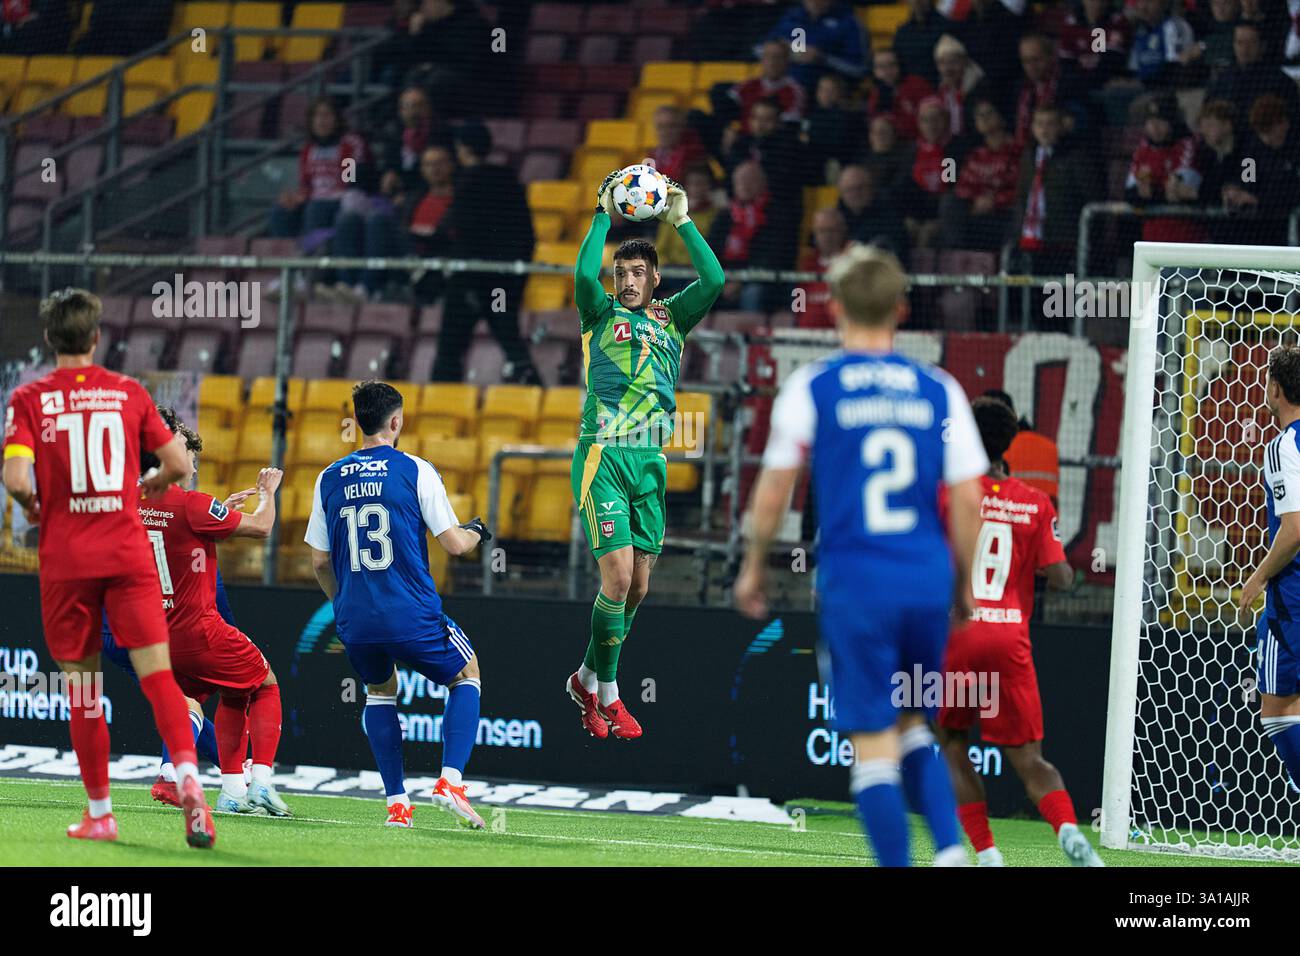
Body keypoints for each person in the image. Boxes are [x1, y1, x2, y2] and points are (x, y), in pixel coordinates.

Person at [734, 245, 987, 867]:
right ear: (902, 308)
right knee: (915, 724)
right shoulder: (941, 389)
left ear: (836, 307)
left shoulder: (813, 386)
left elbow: (774, 489)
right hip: (925, 581)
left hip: (857, 583)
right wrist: (961, 586)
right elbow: (968, 500)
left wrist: (754, 563)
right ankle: (952, 851)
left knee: (872, 743)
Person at [1, 289, 216, 848]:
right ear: (97, 338)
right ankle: (189, 780)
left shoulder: (29, 398)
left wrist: (34, 505)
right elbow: (175, 461)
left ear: (50, 339)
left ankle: (101, 813)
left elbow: (17, 478)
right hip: (126, 553)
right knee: (159, 678)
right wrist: (150, 485)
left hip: (69, 559)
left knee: (84, 689)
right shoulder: (127, 392)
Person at [566, 167, 724, 740]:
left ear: (655, 279)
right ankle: (608, 692)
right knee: (616, 577)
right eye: (621, 273)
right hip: (604, 455)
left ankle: (585, 676)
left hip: (651, 461)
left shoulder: (671, 319)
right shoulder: (598, 315)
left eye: (637, 272)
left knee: (638, 588)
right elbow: (583, 271)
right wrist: (602, 212)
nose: (627, 280)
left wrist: (681, 221)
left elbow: (714, 278)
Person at [306, 381, 492, 828]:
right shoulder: (415, 470)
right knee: (467, 675)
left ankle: (397, 805)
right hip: (410, 612)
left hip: (354, 619)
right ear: (396, 421)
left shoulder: (328, 476)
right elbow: (453, 545)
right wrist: (478, 531)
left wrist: (344, 605)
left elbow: (319, 560)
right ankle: (449, 781)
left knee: (380, 692)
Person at [934, 396, 1100, 867]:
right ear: (1012, 443)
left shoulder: (949, 492)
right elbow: (1063, 577)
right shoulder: (1034, 503)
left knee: (950, 742)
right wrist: (1044, 562)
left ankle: (987, 854)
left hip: (959, 632)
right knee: (1031, 760)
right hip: (1010, 639)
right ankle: (1069, 830)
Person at [128, 409, 291, 818]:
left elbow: (172, 531)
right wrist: (269, 492)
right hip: (199, 631)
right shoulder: (192, 504)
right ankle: (263, 783)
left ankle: (231, 790)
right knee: (266, 683)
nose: (190, 459)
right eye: (183, 450)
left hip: (157, 637)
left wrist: (219, 510)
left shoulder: (128, 501)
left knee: (226, 694)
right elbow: (261, 528)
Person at [1237, 346, 1300, 807]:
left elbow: (1295, 527)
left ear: (1274, 389)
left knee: (1276, 712)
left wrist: (1257, 577)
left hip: (1291, 601)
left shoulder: (1284, 446)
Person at [430, 121, 539, 384]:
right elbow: (527, 234)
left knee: (450, 347)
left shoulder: (468, 181)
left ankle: (443, 401)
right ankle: (533, 387)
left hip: (472, 278)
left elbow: (458, 228)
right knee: (509, 338)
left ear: (461, 150)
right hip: (506, 279)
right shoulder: (509, 180)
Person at [1125, 93, 1206, 243]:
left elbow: (1177, 193)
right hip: (1152, 241)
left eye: (1161, 121)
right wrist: (1144, 193)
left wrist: (1150, 193)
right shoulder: (1143, 149)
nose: (1154, 127)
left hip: (1185, 240)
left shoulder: (1187, 145)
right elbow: (1130, 193)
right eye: (1150, 121)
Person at [762, 0, 869, 93]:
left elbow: (859, 69)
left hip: (827, 94)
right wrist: (781, 50)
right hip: (788, 89)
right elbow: (758, 49)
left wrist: (822, 58)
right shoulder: (791, 17)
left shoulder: (849, 23)